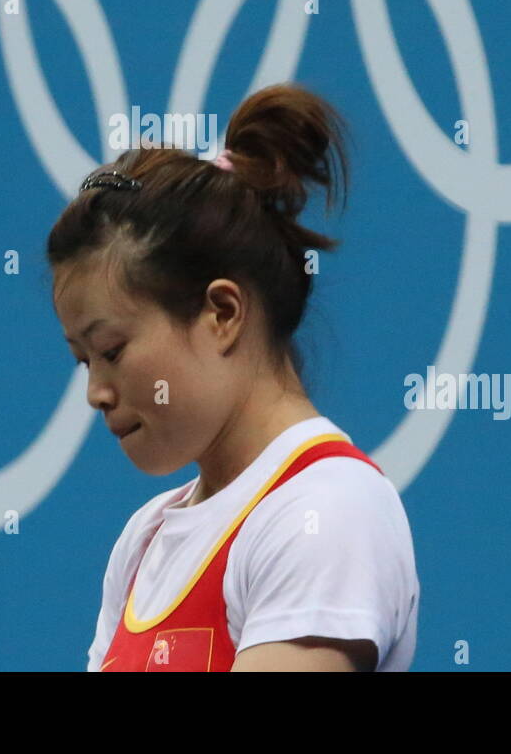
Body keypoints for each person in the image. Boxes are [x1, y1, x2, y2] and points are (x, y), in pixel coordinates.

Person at [47, 83, 420, 672]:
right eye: (83, 361)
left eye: (112, 350)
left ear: (222, 313)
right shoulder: (143, 541)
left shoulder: (327, 510)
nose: (96, 392)